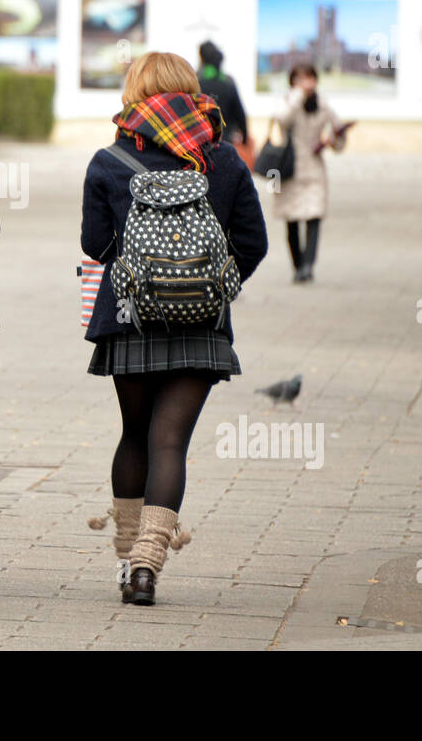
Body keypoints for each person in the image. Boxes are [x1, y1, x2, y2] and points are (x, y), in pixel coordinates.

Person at [82, 51, 267, 605]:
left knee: (134, 434)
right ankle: (148, 566)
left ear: (134, 93)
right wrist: (212, 283)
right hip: (201, 326)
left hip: (129, 320)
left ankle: (126, 560)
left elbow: (95, 246)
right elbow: (252, 241)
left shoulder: (110, 160)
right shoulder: (223, 159)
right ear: (192, 91)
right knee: (171, 442)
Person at [272, 63, 347, 282]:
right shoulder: (287, 102)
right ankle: (297, 265)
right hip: (289, 169)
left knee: (314, 217)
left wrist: (332, 139)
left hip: (314, 168)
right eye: (301, 79)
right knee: (292, 220)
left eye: (310, 78)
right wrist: (297, 96)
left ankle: (308, 266)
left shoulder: (323, 105)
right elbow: (282, 120)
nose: (307, 83)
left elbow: (338, 137)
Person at [197, 40, 250, 150]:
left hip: (200, 142)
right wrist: (245, 136)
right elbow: (239, 112)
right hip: (224, 141)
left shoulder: (196, 80)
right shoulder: (227, 82)